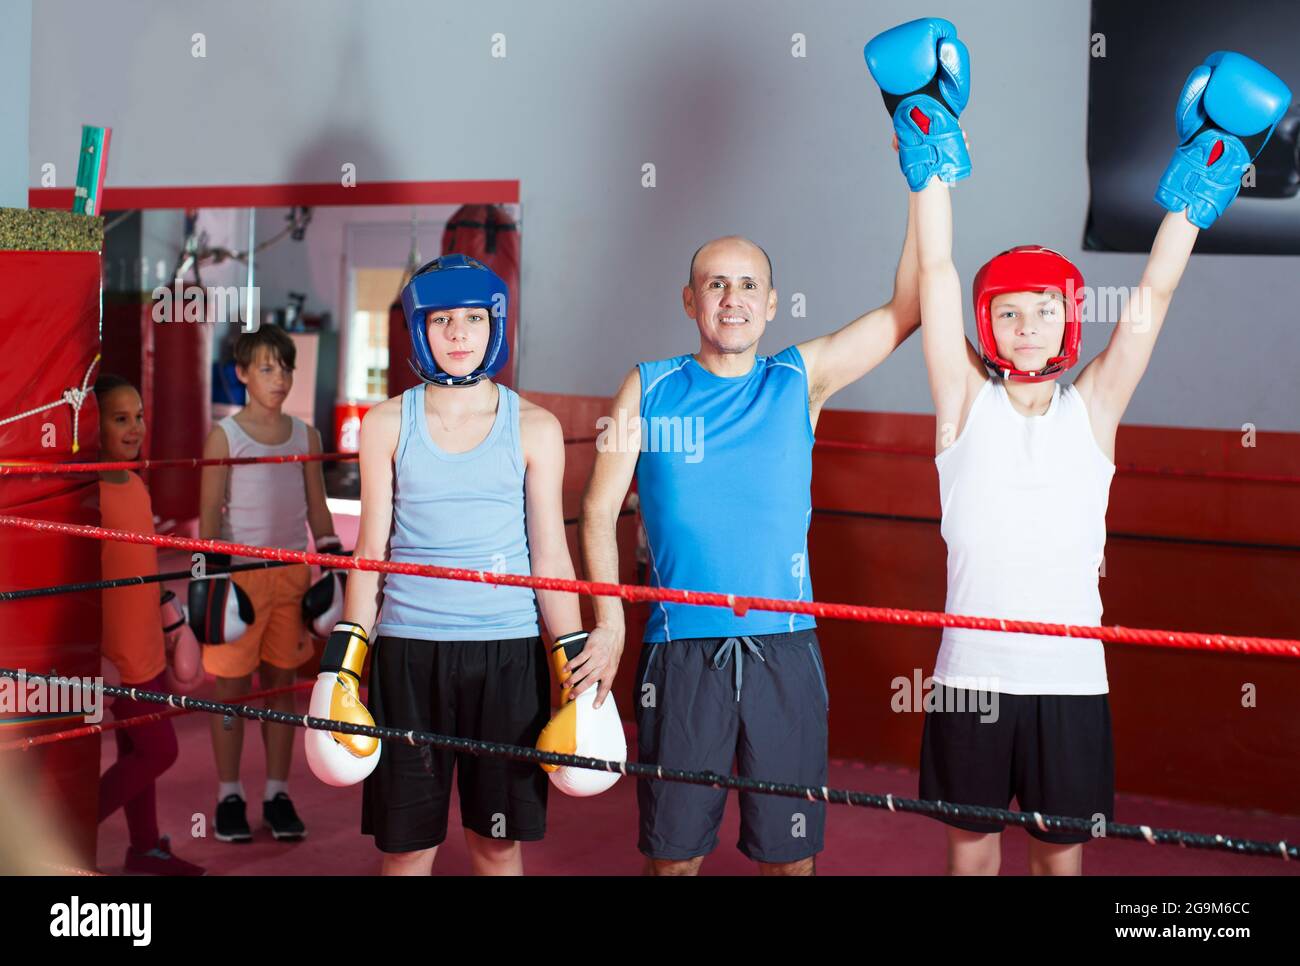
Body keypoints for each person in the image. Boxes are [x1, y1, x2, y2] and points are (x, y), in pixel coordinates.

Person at [866, 19, 1292, 875]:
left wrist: (1204, 177)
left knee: (1060, 866)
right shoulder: (962, 405)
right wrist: (922, 135)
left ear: (1070, 317)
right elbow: (938, 273)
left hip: (1071, 685)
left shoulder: (1092, 411)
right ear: (990, 326)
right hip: (972, 678)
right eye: (1012, 313)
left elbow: (1155, 294)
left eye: (1046, 310)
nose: (1029, 328)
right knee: (971, 862)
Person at [581, 211, 922, 873]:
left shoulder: (799, 378)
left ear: (770, 304)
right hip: (679, 650)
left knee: (789, 858)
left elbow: (907, 310)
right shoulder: (648, 386)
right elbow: (597, 511)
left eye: (746, 285)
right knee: (673, 858)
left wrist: (920, 181)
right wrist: (610, 622)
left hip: (785, 648)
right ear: (690, 300)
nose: (731, 298)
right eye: (714, 285)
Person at [314, 254, 590, 876]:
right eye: (442, 320)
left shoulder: (535, 427)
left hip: (508, 654)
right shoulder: (387, 423)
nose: (460, 334)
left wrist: (571, 661)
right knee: (407, 845)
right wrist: (345, 662)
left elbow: (550, 554)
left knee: (496, 843)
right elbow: (371, 552)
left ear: (495, 325)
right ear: (418, 328)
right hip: (408, 653)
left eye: (472, 318)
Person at [196, 325, 341, 843]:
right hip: (239, 578)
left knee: (281, 690)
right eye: (266, 368)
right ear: (241, 374)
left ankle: (277, 792)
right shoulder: (226, 435)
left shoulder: (307, 435)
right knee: (231, 691)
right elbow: (210, 511)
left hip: (292, 577)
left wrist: (333, 563)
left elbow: (319, 506)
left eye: (285, 367)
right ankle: (228, 793)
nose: (278, 377)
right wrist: (210, 581)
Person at [95, 373, 204, 875]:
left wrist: (168, 614)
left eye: (138, 416)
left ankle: (144, 849)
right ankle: (70, 823)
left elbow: (138, 563)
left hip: (145, 644)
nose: (135, 428)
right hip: (119, 654)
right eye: (120, 419)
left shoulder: (135, 484)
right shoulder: (90, 492)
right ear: (93, 424)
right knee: (160, 750)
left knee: (137, 750)